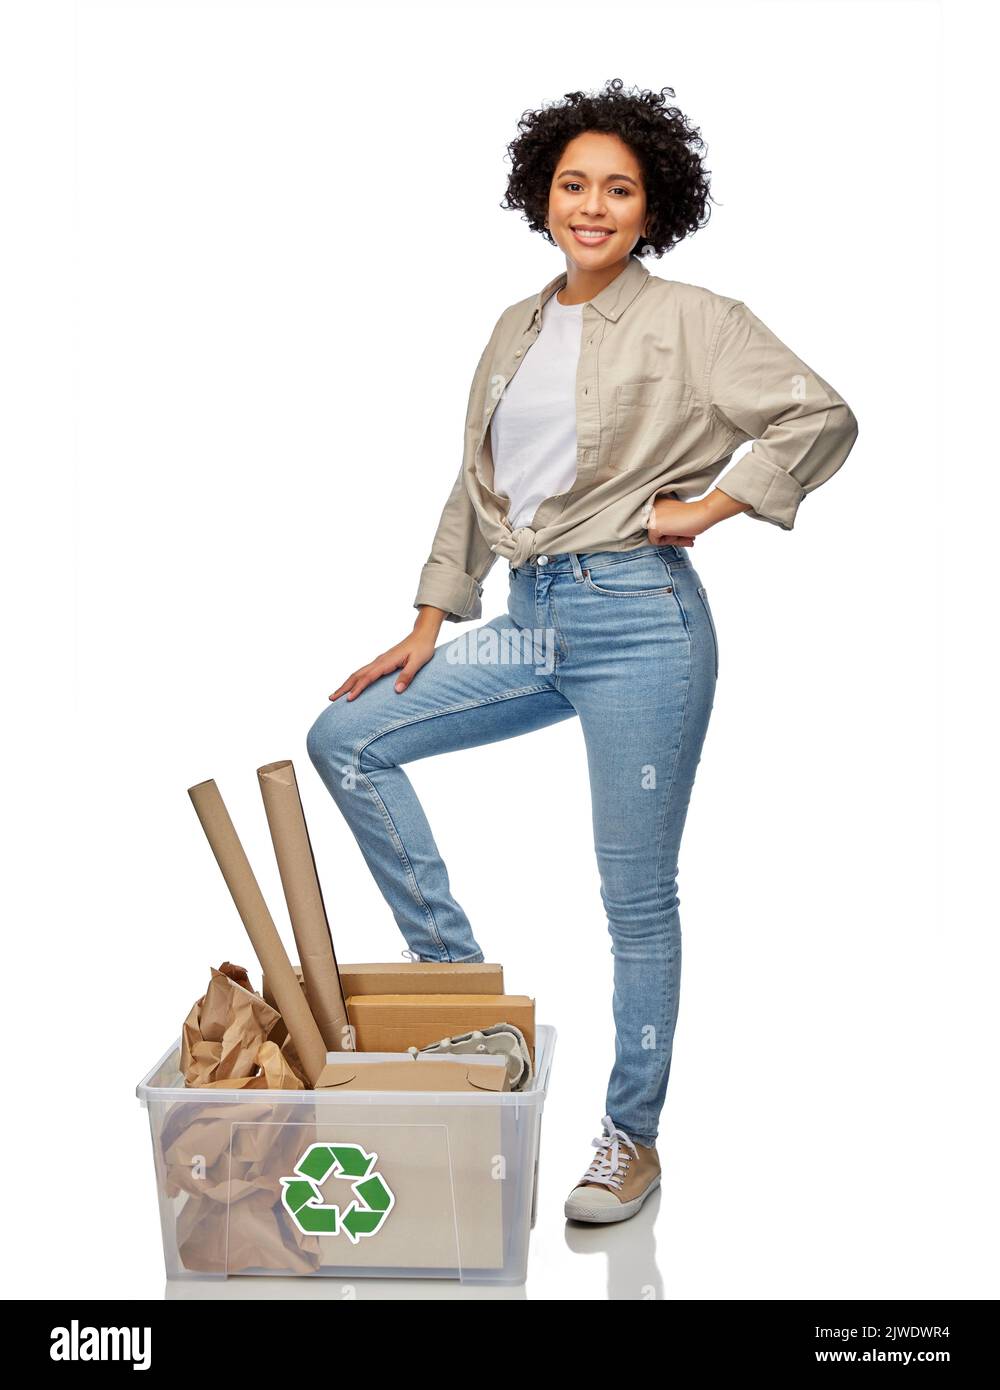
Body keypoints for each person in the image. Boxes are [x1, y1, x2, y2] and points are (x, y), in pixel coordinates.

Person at [307, 78, 859, 1225]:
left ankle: (631, 1139)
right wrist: (429, 616)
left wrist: (708, 509)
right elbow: (473, 480)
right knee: (346, 739)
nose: (592, 206)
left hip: (640, 624)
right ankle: (458, 987)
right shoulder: (514, 326)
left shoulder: (696, 319)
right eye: (573, 186)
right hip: (532, 619)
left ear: (650, 208)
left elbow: (819, 416)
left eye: (618, 189)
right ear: (541, 197)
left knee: (634, 896)